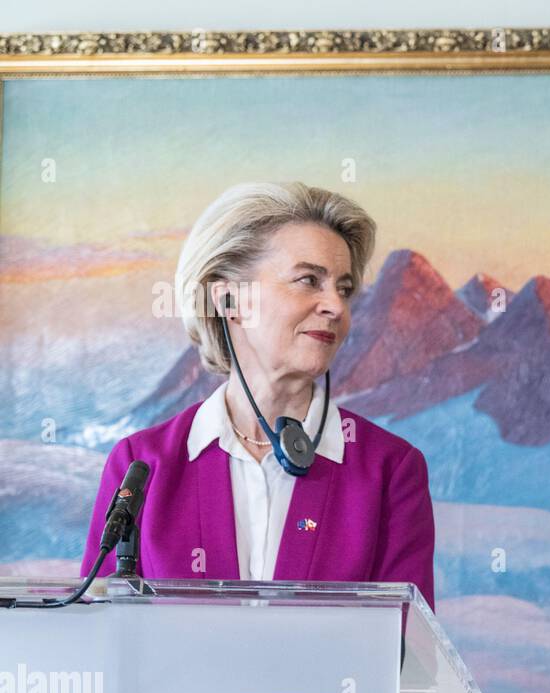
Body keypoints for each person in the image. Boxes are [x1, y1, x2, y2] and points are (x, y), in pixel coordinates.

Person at [80, 182, 436, 616]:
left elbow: (405, 646)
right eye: (309, 280)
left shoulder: (390, 471)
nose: (336, 307)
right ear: (228, 298)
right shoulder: (141, 466)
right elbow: (101, 632)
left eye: (344, 289)